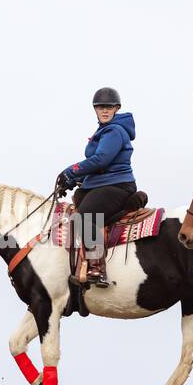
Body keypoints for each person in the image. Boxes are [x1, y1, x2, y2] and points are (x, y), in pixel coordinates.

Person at [56, 87, 139, 288]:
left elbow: (101, 160)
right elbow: (97, 166)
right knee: (80, 201)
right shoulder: (104, 130)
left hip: (116, 186)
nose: (104, 110)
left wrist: (71, 171)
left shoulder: (114, 130)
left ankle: (97, 268)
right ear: (95, 109)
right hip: (103, 184)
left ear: (116, 108)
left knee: (84, 216)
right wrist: (74, 179)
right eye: (100, 107)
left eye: (109, 107)